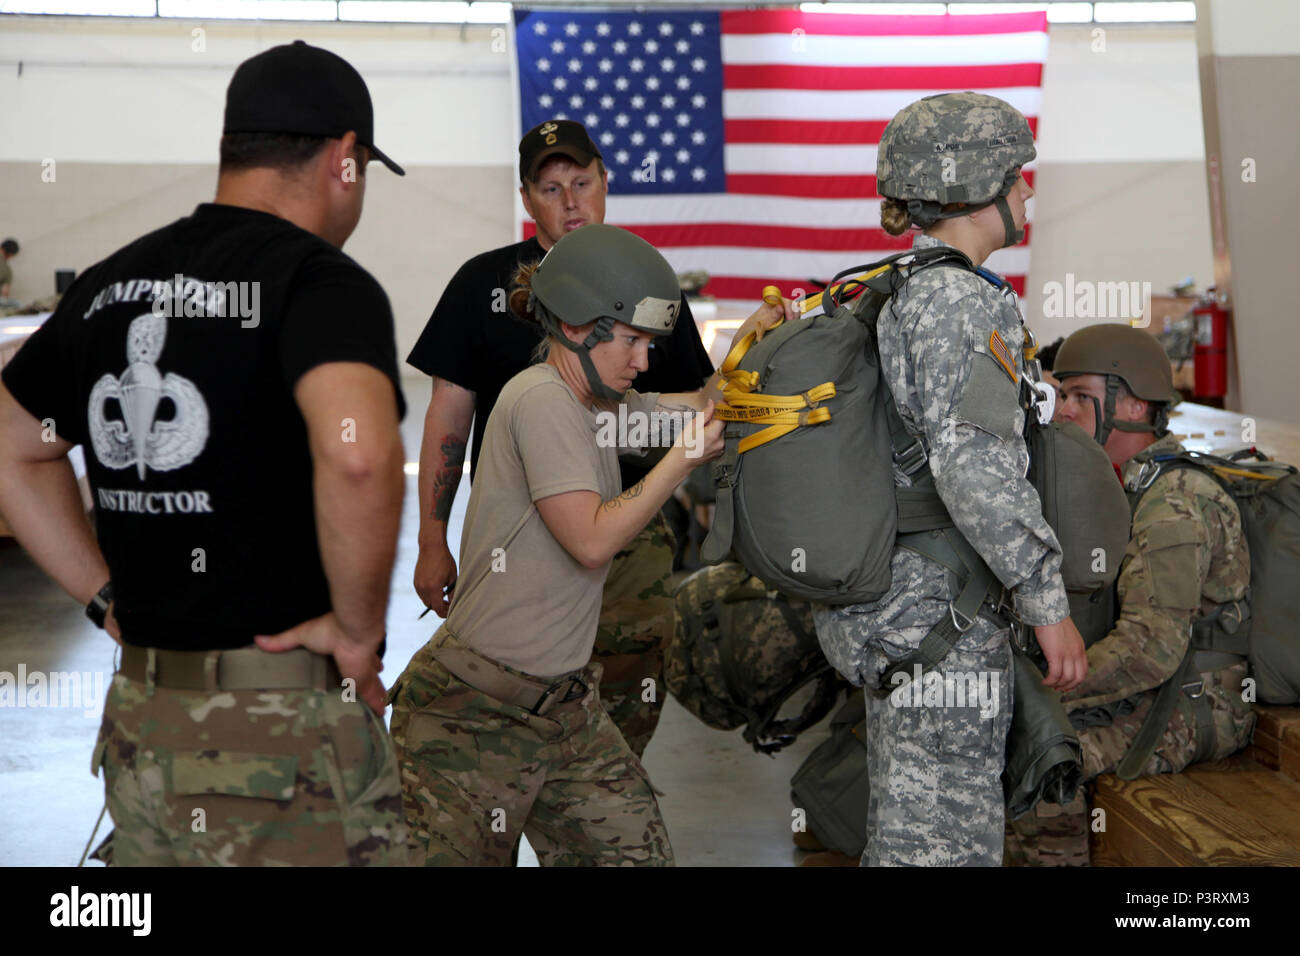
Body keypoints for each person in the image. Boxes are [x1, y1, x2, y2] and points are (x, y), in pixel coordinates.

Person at [0, 41, 411, 866]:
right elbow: (359, 456)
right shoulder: (319, 282)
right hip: (280, 735)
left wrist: (105, 597)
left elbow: (14, 449)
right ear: (345, 160)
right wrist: (361, 632)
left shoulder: (112, 284)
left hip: (144, 721)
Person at [389, 223, 785, 866]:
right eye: (630, 340)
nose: (643, 360)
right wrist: (682, 460)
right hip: (472, 715)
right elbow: (591, 541)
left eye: (648, 343)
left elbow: (700, 407)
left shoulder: (598, 406)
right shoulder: (541, 398)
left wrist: (749, 347)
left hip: (565, 710)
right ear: (576, 326)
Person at [812, 92, 1088, 867]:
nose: (1029, 191)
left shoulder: (902, 289)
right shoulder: (962, 303)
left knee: (914, 828)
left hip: (905, 608)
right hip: (942, 620)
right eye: (1018, 174)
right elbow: (974, 466)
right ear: (976, 183)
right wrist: (1046, 601)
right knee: (942, 849)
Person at [406, 119, 715, 758]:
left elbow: (687, 401)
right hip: (518, 540)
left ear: (605, 182)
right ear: (526, 198)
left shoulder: (649, 282)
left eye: (582, 182)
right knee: (510, 722)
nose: (571, 201)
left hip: (630, 537)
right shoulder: (481, 285)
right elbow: (448, 418)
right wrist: (432, 540)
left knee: (619, 734)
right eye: (551, 188)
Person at [1005, 323, 1254, 866]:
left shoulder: (1174, 502)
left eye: (1080, 396)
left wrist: (1053, 690)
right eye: (1062, 394)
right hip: (1159, 686)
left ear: (1134, 406)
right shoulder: (1123, 483)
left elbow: (1151, 648)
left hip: (1200, 700)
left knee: (1049, 757)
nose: (1064, 410)